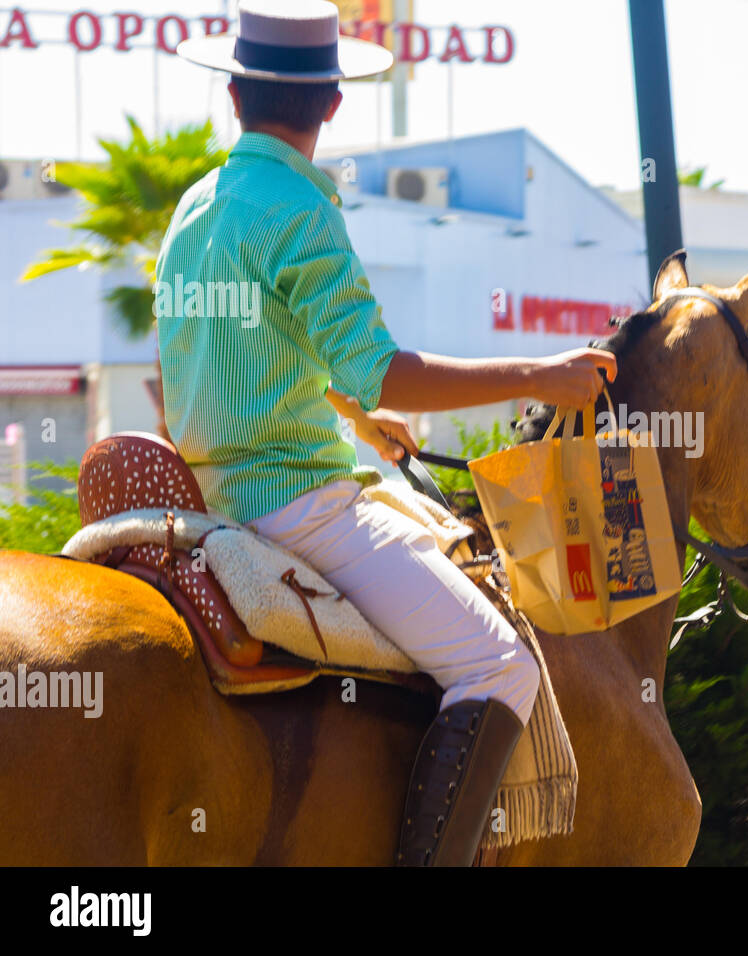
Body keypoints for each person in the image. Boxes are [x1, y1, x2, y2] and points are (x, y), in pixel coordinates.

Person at [165, 0, 617, 866]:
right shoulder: (299, 208)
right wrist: (540, 373)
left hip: (202, 500)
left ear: (232, 95)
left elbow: (226, 357)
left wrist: (352, 414)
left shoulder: (195, 208)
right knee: (502, 669)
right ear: (333, 103)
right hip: (296, 509)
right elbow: (389, 370)